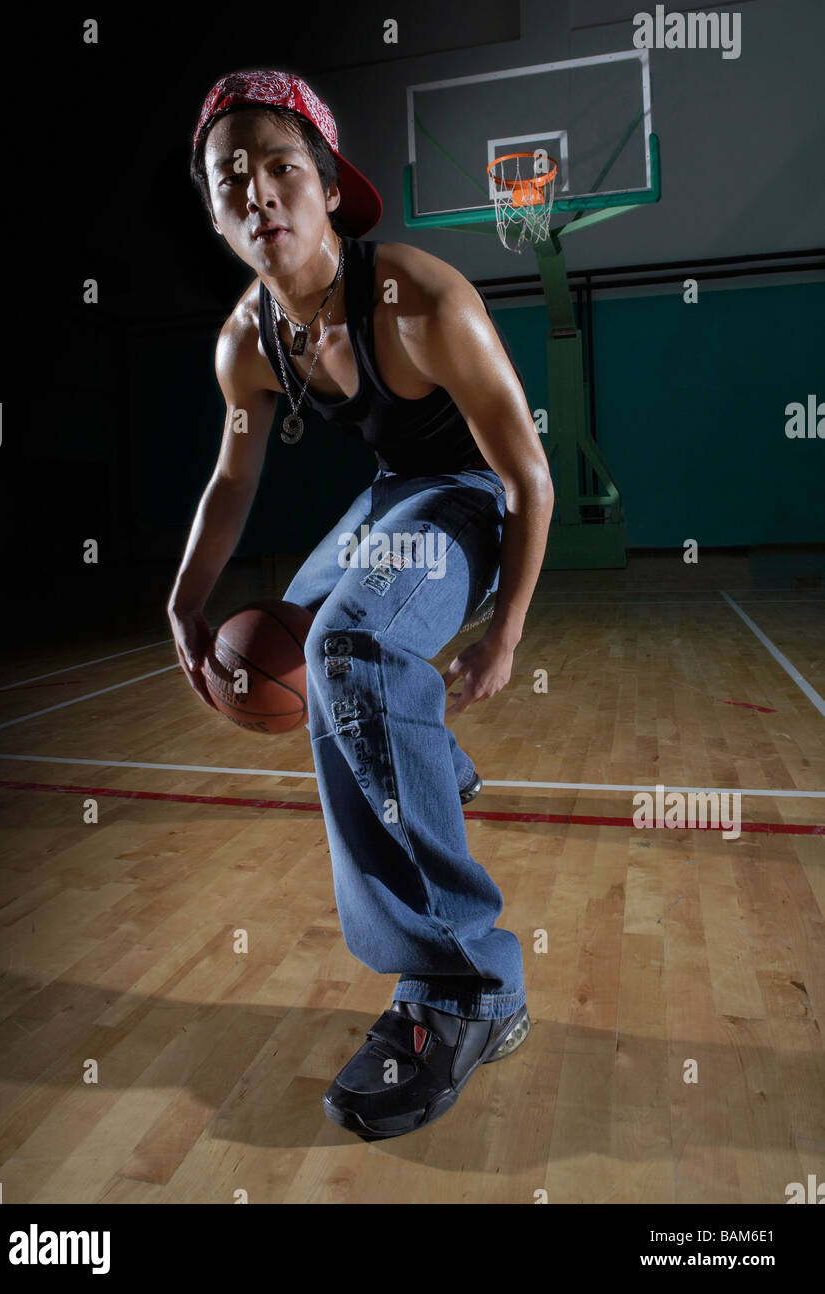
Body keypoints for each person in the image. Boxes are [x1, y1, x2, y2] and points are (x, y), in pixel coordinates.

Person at [168, 70, 554, 1140]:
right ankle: (423, 755)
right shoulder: (247, 340)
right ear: (215, 213)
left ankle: (467, 985)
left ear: (331, 188)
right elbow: (231, 480)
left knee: (344, 648)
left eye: (282, 166)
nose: (258, 190)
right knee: (285, 650)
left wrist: (504, 635)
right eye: (230, 177)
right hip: (392, 499)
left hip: (473, 500)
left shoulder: (420, 299)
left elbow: (528, 477)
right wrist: (184, 601)